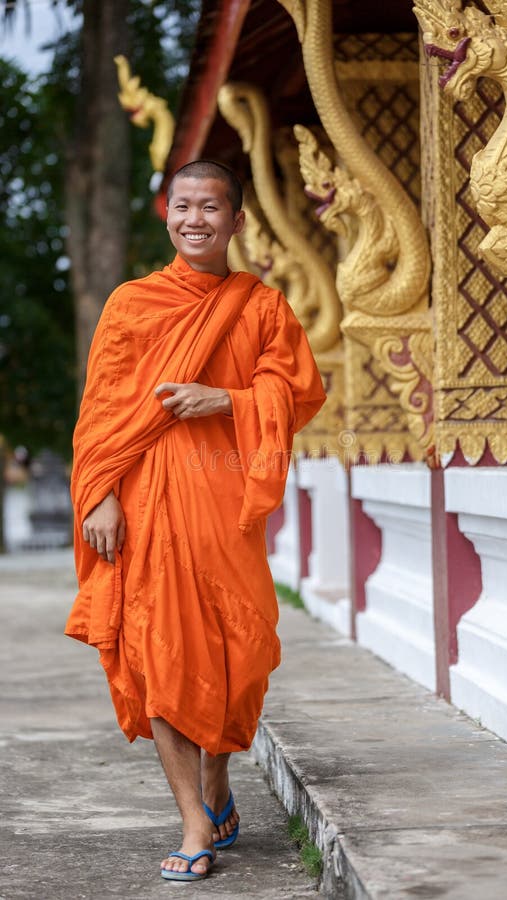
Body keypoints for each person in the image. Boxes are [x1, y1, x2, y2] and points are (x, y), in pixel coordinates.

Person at [65, 160, 326, 881]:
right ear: (166, 214)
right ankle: (191, 820)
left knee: (237, 661)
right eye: (183, 206)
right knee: (160, 658)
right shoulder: (132, 305)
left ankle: (217, 782)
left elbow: (297, 392)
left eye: (211, 207)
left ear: (236, 221)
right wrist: (100, 496)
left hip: (224, 508)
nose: (196, 220)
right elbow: (102, 412)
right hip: (144, 506)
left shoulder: (262, 309)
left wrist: (231, 402)